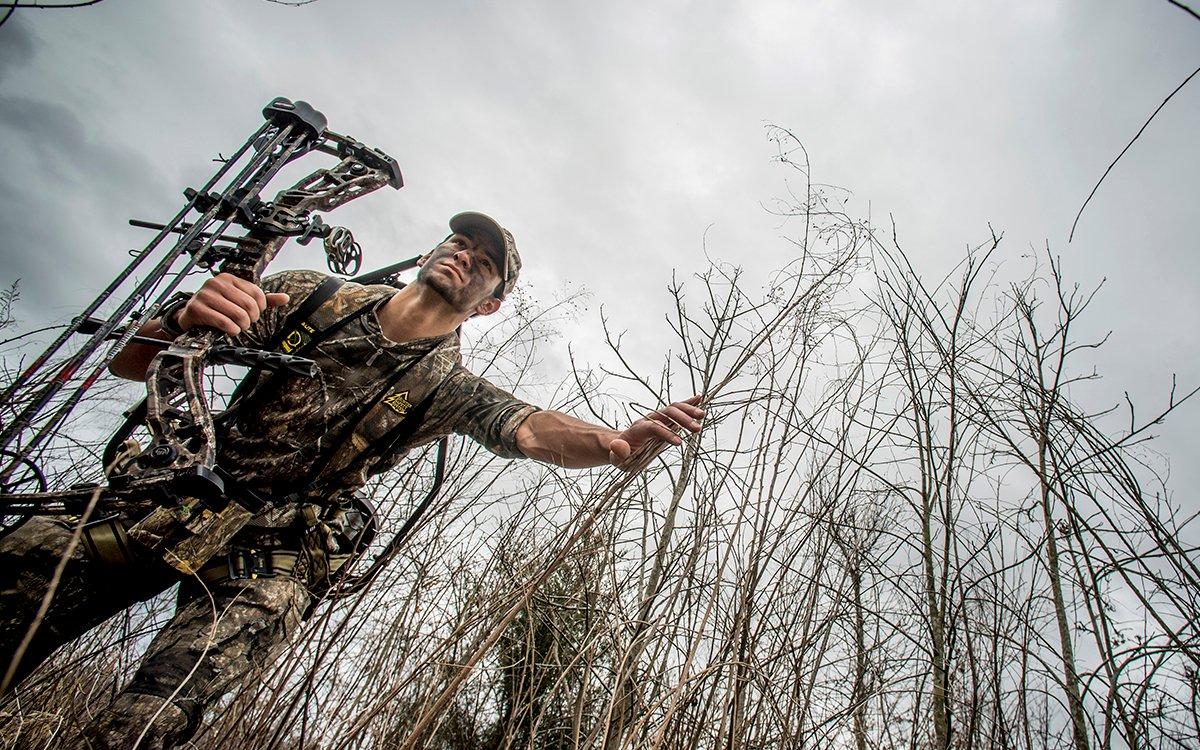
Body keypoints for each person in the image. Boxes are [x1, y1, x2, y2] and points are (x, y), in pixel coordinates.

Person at [0, 212, 704, 749]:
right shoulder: (308, 297)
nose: (465, 257)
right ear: (433, 253)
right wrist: (188, 316)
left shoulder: (448, 386)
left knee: (156, 713)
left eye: (485, 264)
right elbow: (136, 364)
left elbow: (528, 427)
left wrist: (611, 443)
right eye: (459, 244)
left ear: (489, 304)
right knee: (22, 570)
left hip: (267, 550)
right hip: (172, 495)